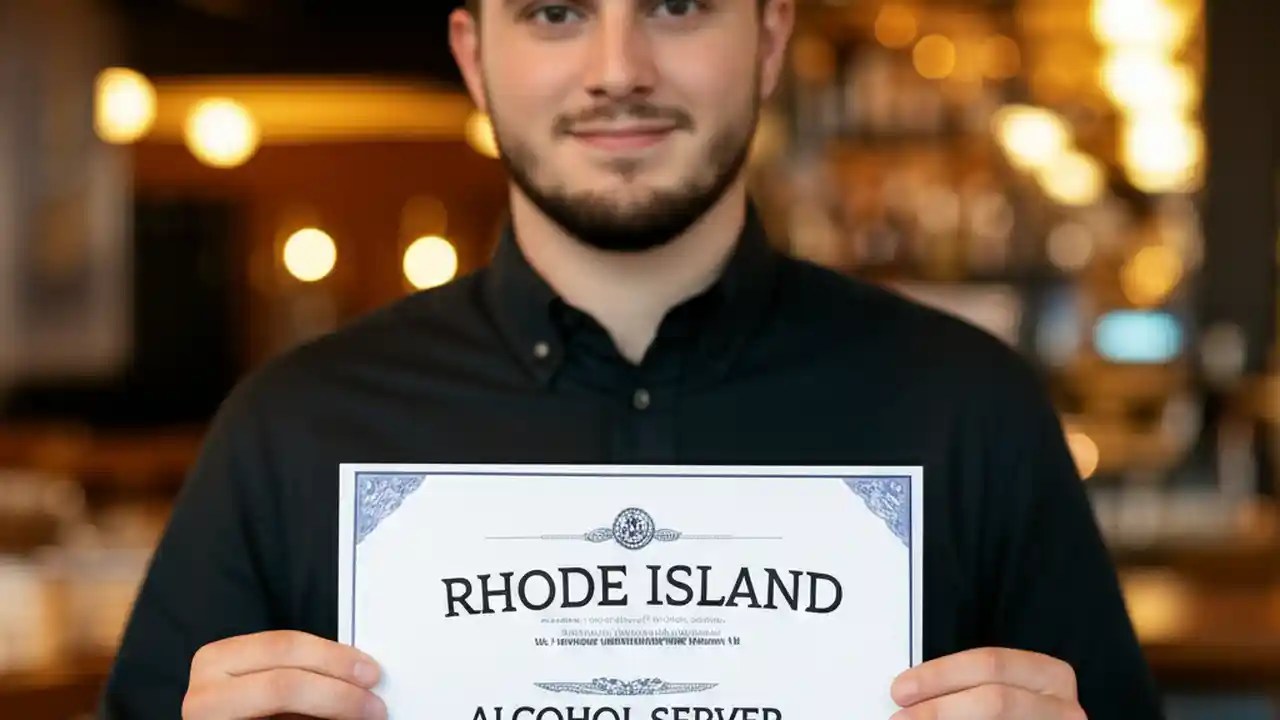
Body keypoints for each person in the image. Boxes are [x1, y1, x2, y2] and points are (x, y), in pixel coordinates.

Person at [101, 0, 1166, 718]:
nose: (618, 71)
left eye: (676, 3)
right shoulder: (291, 428)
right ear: (474, 56)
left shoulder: (969, 409)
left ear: (766, 36)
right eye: (556, 12)